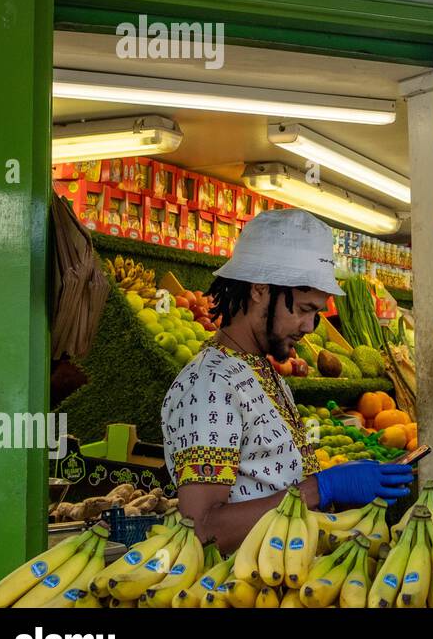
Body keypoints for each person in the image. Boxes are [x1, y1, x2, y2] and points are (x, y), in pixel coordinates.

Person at [162, 209, 415, 552]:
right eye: (304, 309)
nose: (310, 327)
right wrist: (320, 488)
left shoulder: (261, 371)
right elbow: (202, 529)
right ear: (260, 289)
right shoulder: (209, 387)